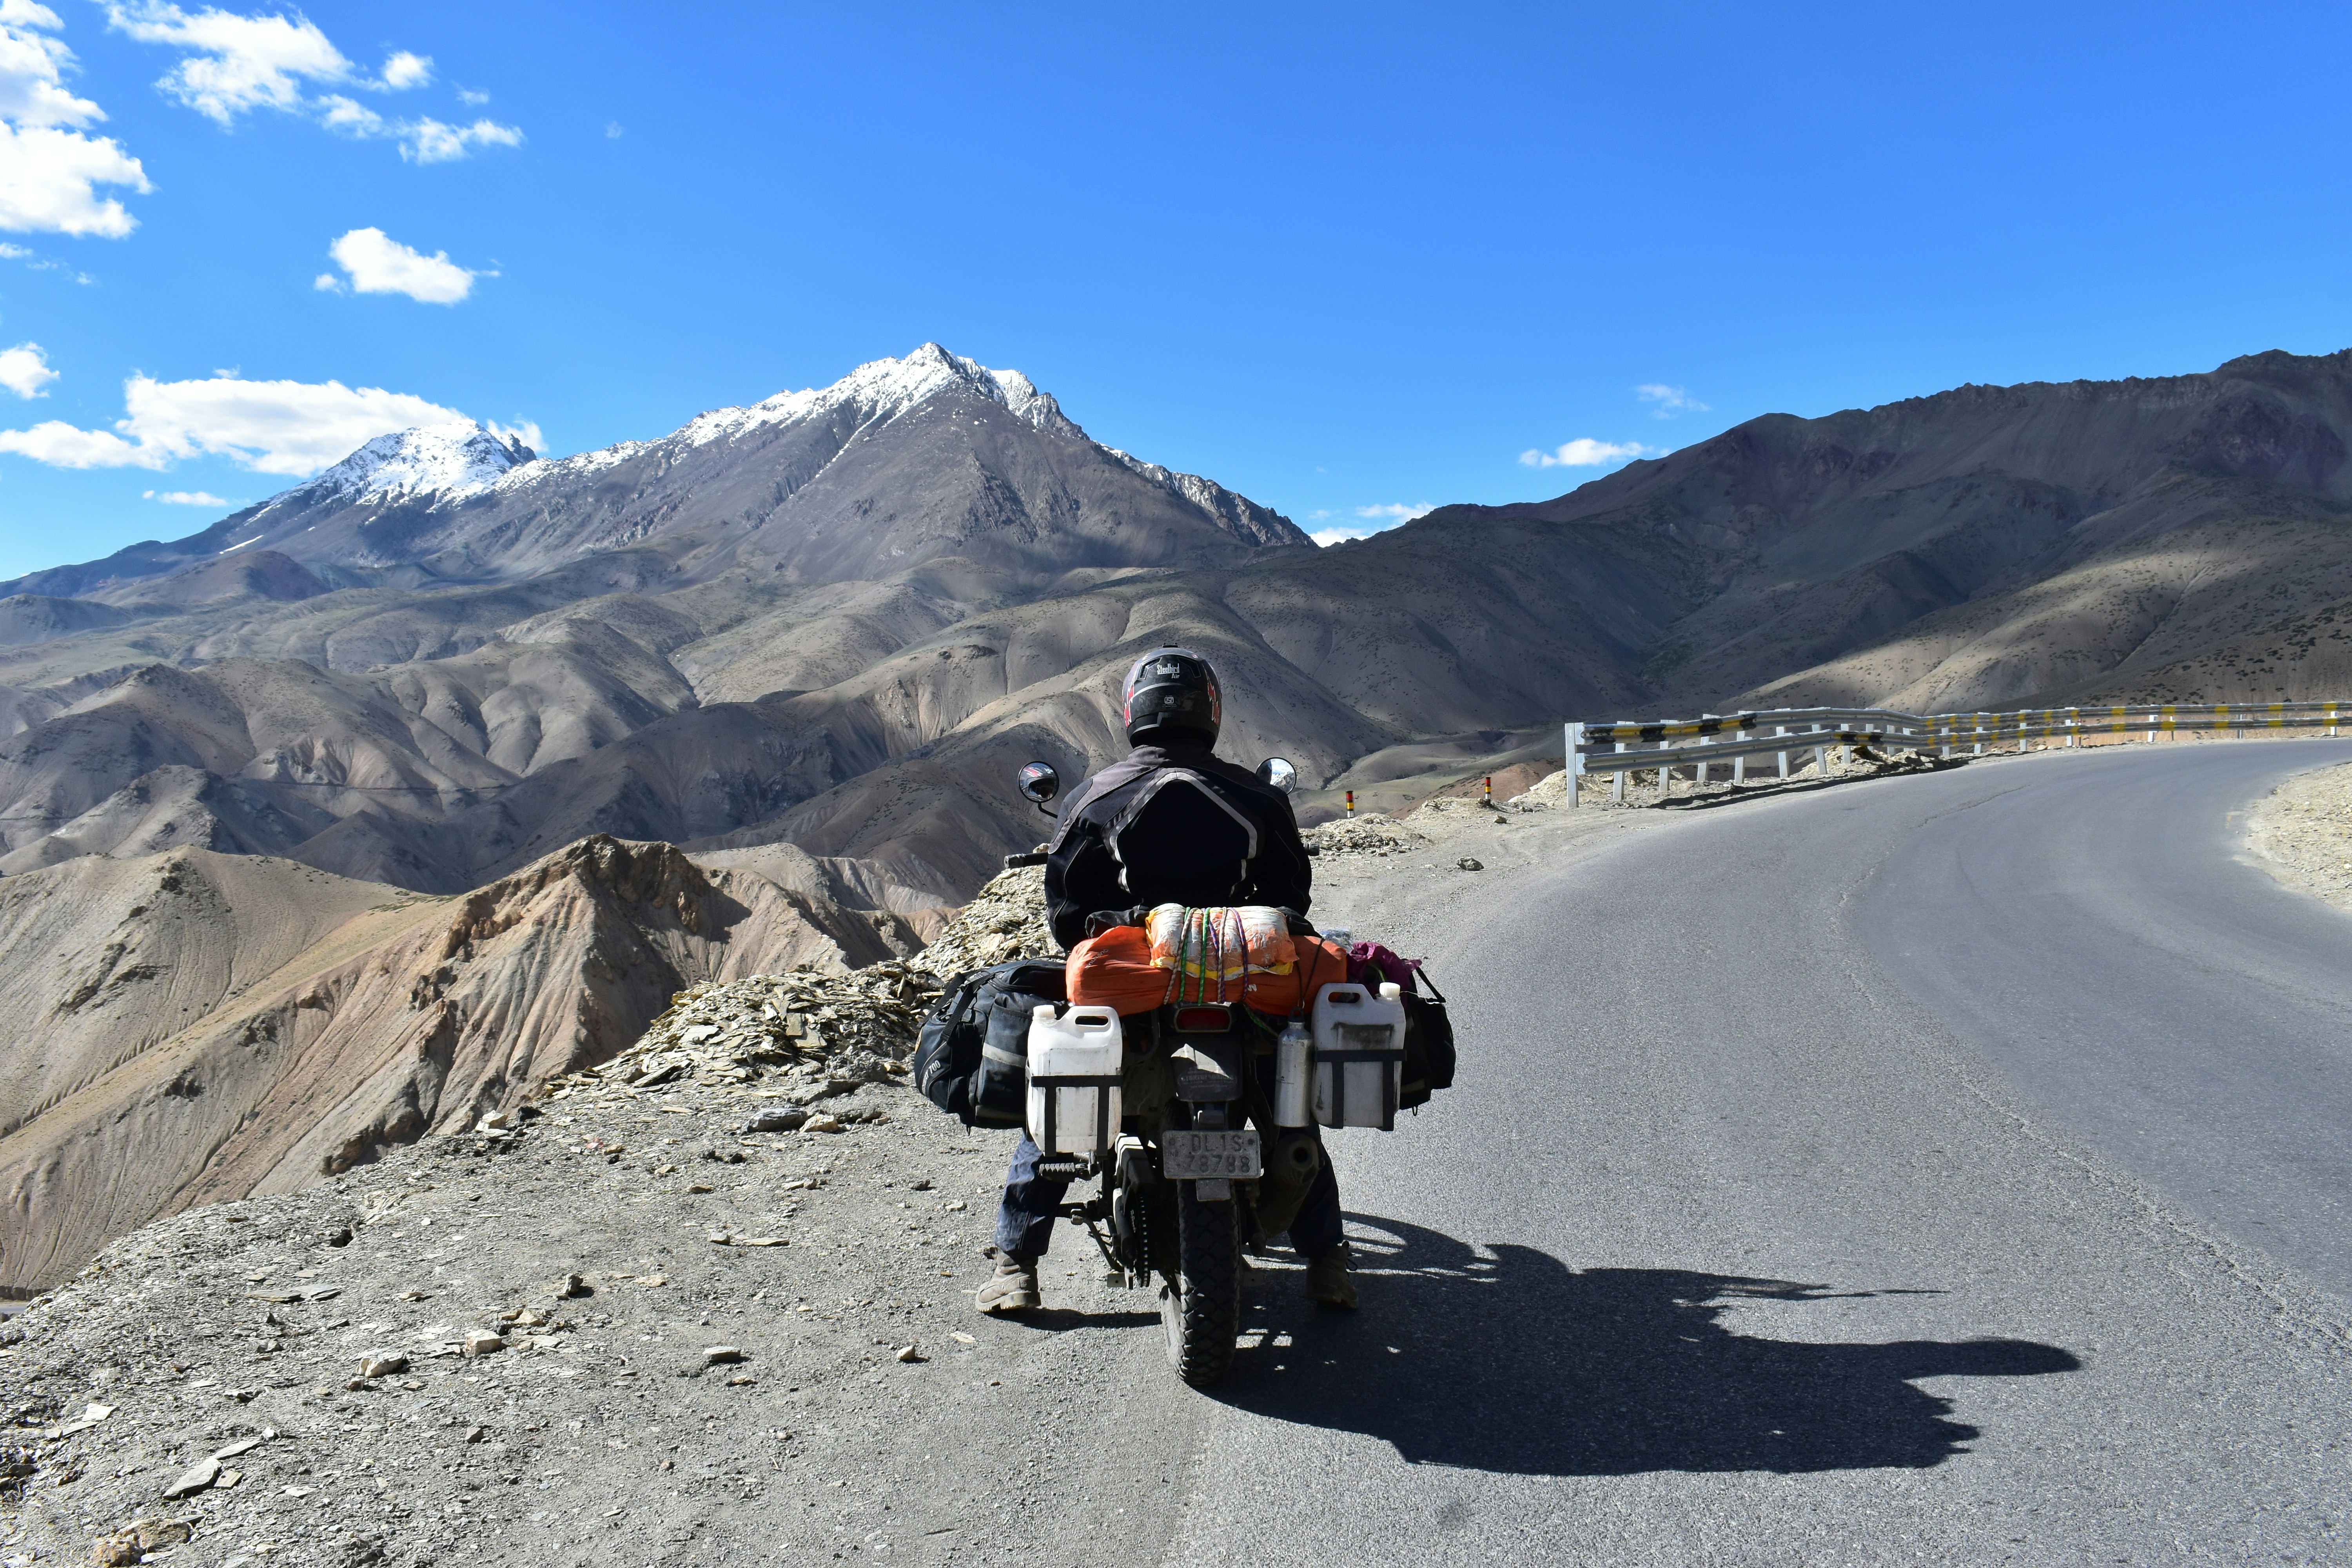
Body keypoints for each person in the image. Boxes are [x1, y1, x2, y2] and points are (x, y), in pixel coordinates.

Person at [978, 645, 1358, 1315]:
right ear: (1210, 711)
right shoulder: (1257, 796)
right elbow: (1293, 901)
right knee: (1285, 1101)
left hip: (1135, 993)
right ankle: (1328, 1261)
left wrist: (1127, 927)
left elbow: (1068, 917)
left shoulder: (1097, 796)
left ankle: (1017, 1264)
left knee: (1063, 1092)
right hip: (1244, 988)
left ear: (1133, 710)